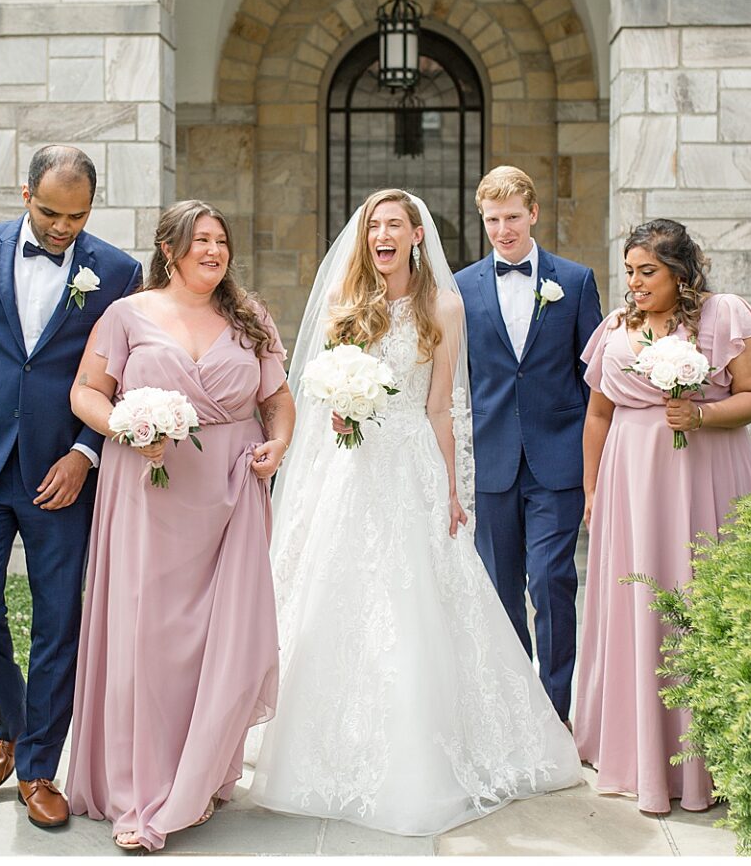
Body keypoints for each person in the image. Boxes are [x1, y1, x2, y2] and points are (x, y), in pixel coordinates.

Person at [247, 188, 583, 836]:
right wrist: (337, 413)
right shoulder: (345, 304)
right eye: (374, 225)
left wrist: (455, 489)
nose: (383, 234)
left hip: (412, 467)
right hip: (351, 469)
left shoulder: (443, 305)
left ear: (415, 236)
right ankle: (321, 745)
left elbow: (444, 407)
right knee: (336, 600)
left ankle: (430, 752)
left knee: (418, 603)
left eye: (394, 224)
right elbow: (318, 397)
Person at [0, 146, 142, 829]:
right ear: (24, 194)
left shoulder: (118, 272)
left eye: (76, 216)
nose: (62, 228)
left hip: (59, 475)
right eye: (49, 212)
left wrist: (85, 452)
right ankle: (10, 726)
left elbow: (122, 380)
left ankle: (39, 766)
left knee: (58, 620)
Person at [65, 200, 294, 852]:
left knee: (228, 640)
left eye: (222, 240)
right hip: (148, 493)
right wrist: (124, 427)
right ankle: (141, 790)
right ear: (170, 249)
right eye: (201, 241)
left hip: (230, 494)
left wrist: (276, 445)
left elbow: (278, 401)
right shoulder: (126, 315)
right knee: (148, 640)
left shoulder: (249, 318)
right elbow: (86, 392)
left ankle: (199, 777)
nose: (214, 251)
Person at [572, 218, 751, 813]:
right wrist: (591, 490)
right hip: (629, 488)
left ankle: (707, 761)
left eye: (647, 272)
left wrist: (702, 418)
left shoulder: (727, 315)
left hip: (706, 477)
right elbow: (598, 416)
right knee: (637, 605)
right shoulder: (616, 326)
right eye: (630, 271)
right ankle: (634, 751)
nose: (634, 283)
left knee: (698, 602)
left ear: (680, 273)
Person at [454, 165, 601, 724]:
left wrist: (595, 465)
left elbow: (595, 376)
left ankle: (556, 709)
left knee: (551, 579)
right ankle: (518, 716)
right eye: (493, 220)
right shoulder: (461, 288)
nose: (503, 229)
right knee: (499, 590)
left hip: (557, 458)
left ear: (534, 214)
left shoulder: (576, 280)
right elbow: (456, 377)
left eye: (512, 217)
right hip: (491, 460)